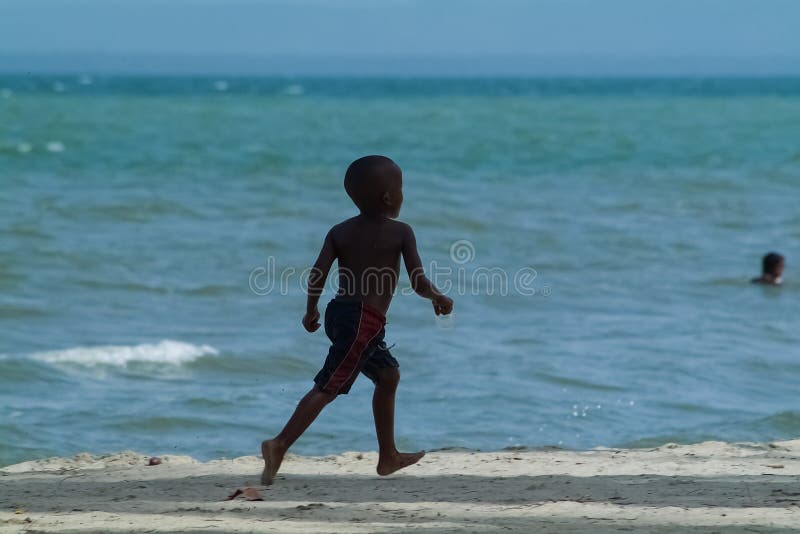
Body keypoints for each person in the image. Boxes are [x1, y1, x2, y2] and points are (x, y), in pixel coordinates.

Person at [261, 155, 454, 485]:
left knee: (388, 375)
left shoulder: (339, 231)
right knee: (329, 385)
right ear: (388, 197)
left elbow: (317, 274)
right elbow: (418, 281)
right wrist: (438, 297)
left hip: (343, 315)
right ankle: (279, 444)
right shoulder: (401, 232)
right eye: (401, 188)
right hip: (363, 322)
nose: (403, 194)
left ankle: (388, 456)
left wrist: (311, 309)